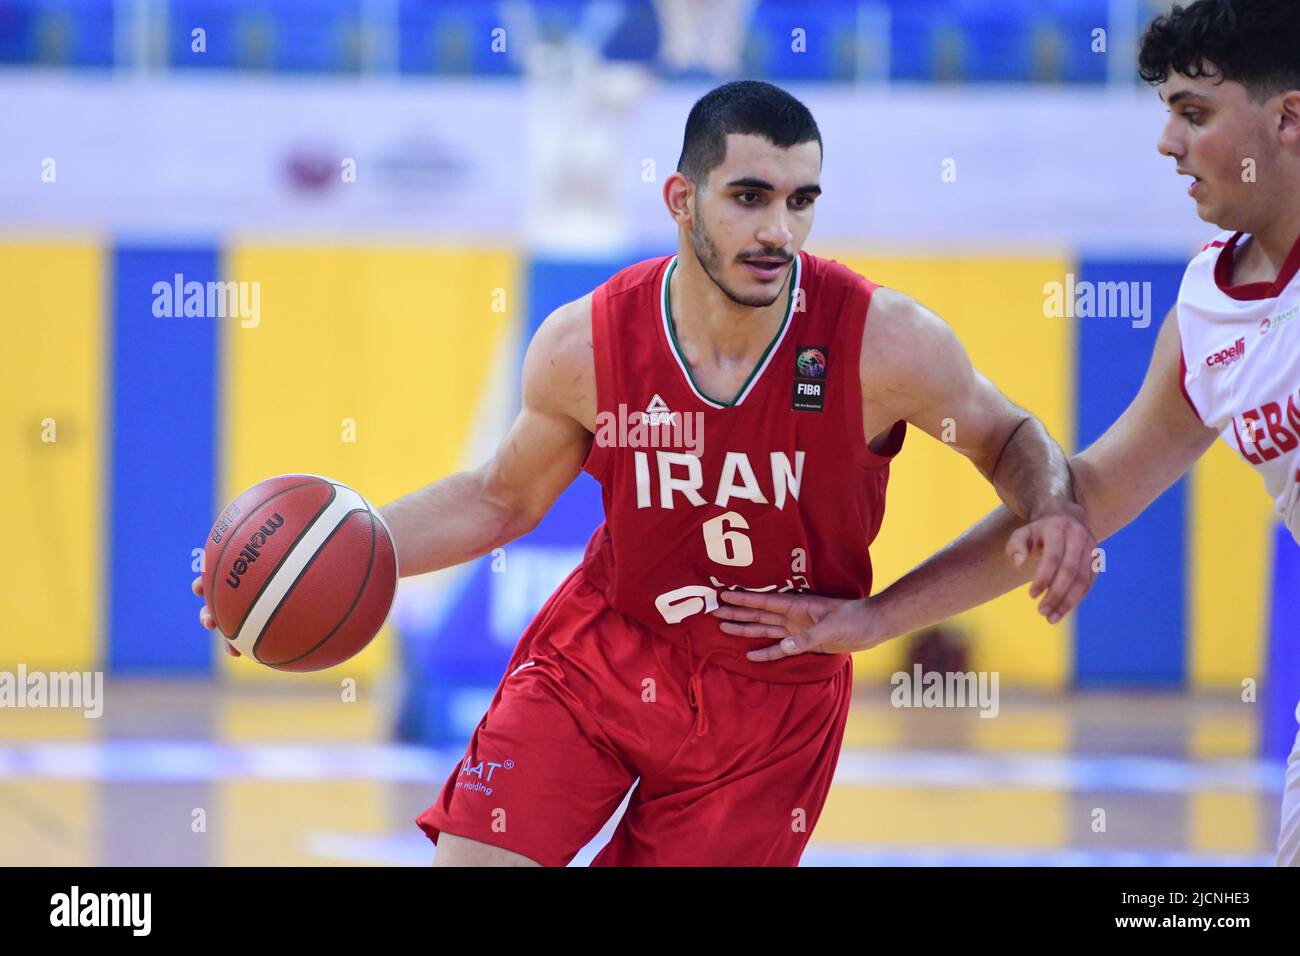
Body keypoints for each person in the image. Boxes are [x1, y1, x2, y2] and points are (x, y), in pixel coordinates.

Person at [196, 80, 1096, 866]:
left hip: (774, 690)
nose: (777, 229)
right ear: (682, 197)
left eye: (800, 201)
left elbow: (1009, 436)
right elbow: (500, 499)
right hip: (603, 654)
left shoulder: (886, 342)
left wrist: (1045, 508)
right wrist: (310, 558)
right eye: (749, 196)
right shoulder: (585, 343)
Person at [713, 1, 1300, 867]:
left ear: (1287, 117)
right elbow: (1089, 492)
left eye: (1194, 113)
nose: (1167, 144)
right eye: (1168, 113)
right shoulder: (1209, 313)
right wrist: (874, 620)